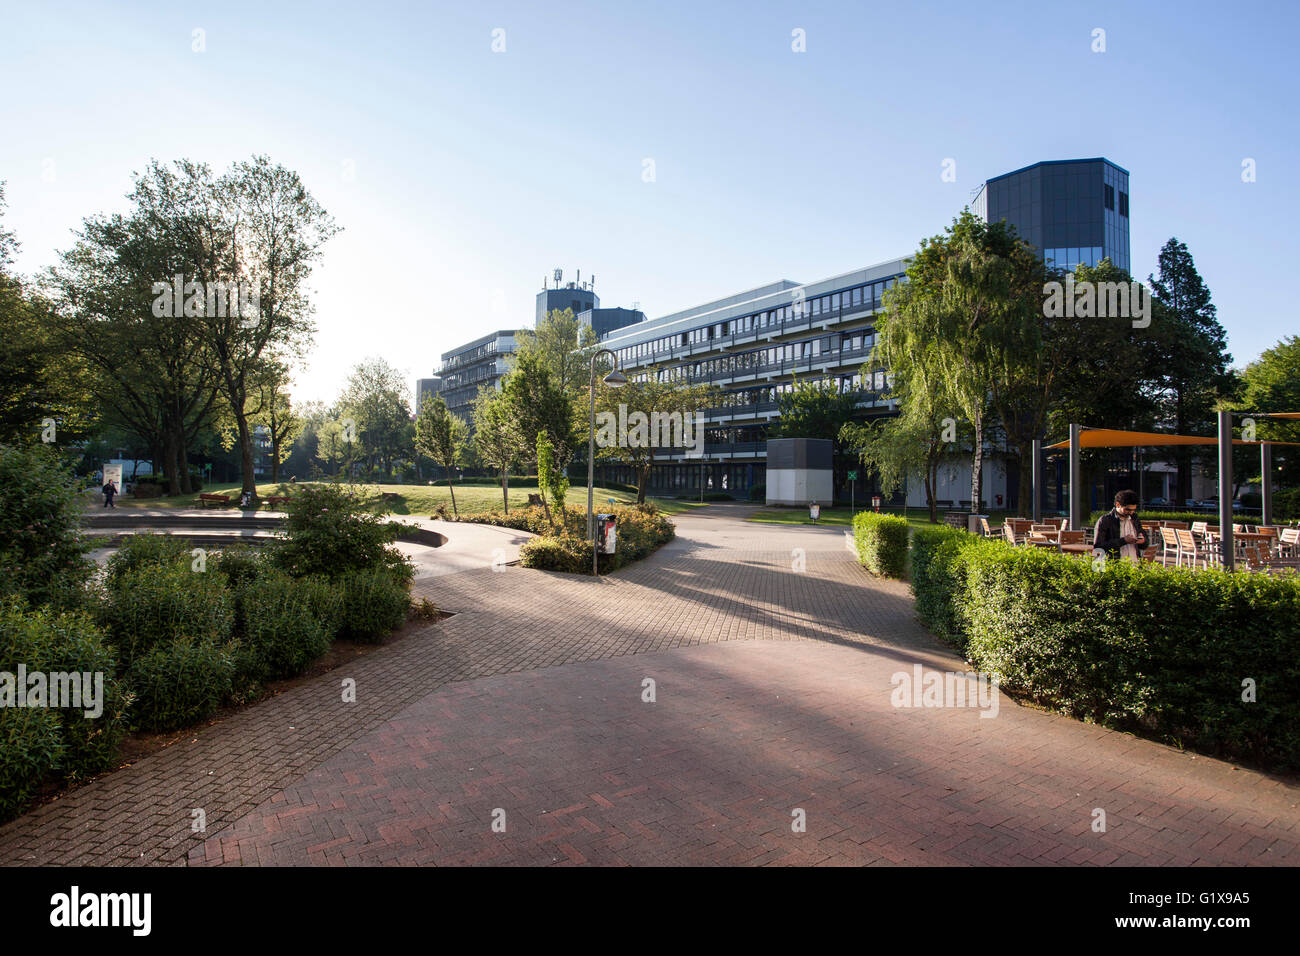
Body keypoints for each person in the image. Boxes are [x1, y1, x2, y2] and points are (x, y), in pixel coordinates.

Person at [1093, 489, 1147, 562]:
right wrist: (1123, 541)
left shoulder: (1134, 518)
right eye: (1127, 510)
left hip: (1134, 566)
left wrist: (1142, 541)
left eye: (1133, 510)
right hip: (1115, 567)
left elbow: (1144, 544)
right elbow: (1098, 547)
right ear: (1117, 505)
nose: (1131, 512)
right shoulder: (1105, 520)